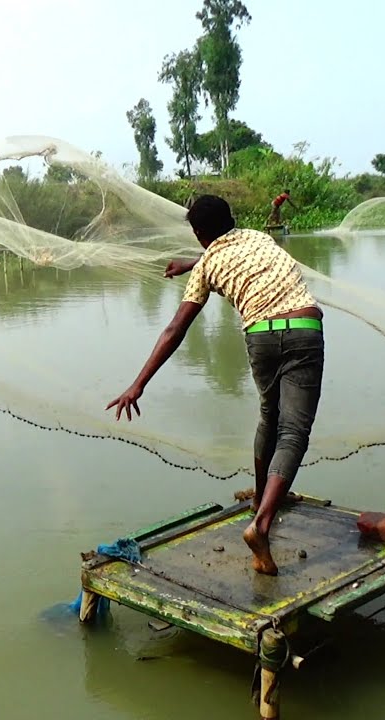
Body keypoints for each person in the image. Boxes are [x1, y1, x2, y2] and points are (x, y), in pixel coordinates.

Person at [106, 195, 324, 575]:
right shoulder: (258, 238)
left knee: (269, 418)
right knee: (294, 433)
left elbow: (176, 328)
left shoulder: (207, 264)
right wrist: (192, 263)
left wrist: (137, 384)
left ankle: (260, 502)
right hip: (304, 328)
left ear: (198, 235)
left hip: (261, 335)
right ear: (233, 219)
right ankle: (262, 523)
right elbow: (228, 252)